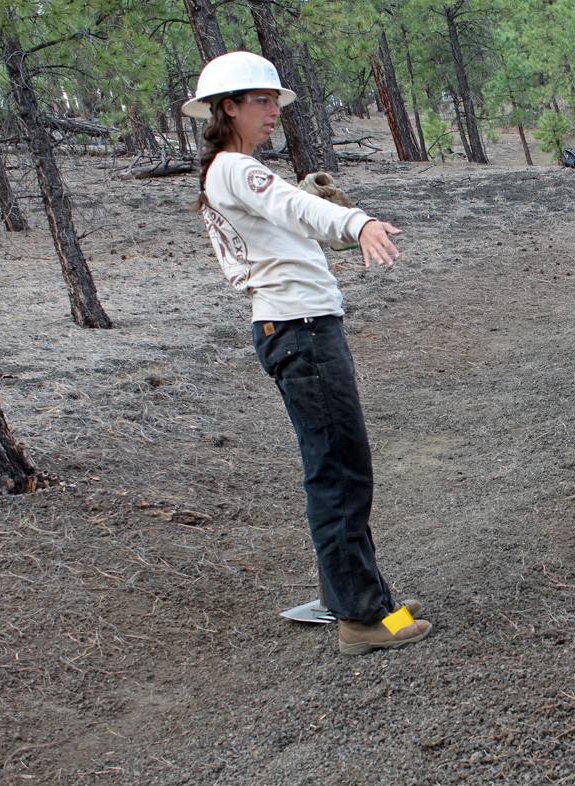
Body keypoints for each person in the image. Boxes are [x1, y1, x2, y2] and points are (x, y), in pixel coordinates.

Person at [182, 51, 431, 656]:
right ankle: (359, 619)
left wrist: (328, 222)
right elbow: (298, 207)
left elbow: (291, 216)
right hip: (301, 331)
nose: (273, 112)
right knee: (340, 473)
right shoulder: (237, 169)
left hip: (297, 329)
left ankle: (368, 602)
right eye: (261, 102)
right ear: (228, 109)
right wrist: (357, 222)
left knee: (339, 468)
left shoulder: (234, 172)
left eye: (274, 101)